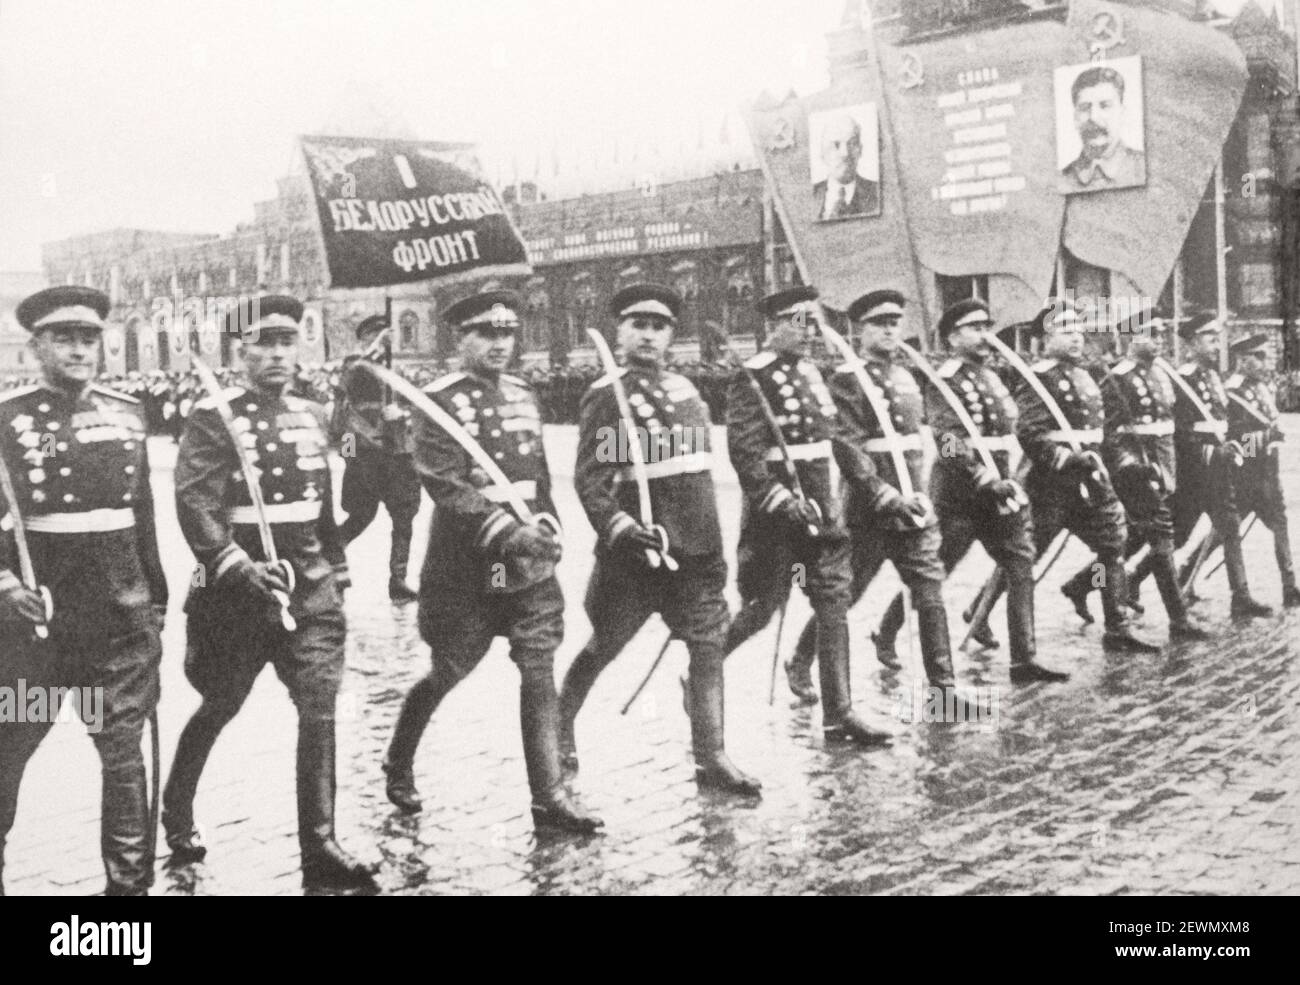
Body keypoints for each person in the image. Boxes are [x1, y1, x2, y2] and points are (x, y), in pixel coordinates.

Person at [162, 295, 378, 892]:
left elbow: (323, 510)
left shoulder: (312, 414)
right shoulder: (214, 415)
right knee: (222, 703)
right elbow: (196, 503)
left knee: (319, 707)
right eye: (264, 343)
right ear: (240, 352)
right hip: (236, 590)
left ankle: (322, 845)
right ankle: (177, 806)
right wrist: (233, 564)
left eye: (287, 342)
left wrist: (335, 570)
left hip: (308, 589)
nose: (278, 354)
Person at [380, 291, 601, 834]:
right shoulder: (436, 402)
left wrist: (548, 524)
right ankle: (399, 756)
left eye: (507, 333)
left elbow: (539, 477)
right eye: (485, 333)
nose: (499, 344)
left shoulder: (526, 394)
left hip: (528, 567)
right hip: (470, 565)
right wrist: (509, 531)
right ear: (461, 339)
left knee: (538, 668)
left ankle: (548, 795)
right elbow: (444, 484)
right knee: (450, 668)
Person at [558, 284, 762, 795]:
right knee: (605, 645)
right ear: (620, 331)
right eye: (638, 325)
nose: (648, 335)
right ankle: (558, 726)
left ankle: (712, 755)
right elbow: (591, 480)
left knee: (709, 647)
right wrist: (622, 528)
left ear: (672, 335)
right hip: (639, 556)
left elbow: (697, 476)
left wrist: (713, 549)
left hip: (695, 552)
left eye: (659, 326)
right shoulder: (610, 395)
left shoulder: (686, 390)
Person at [0, 286, 167, 896]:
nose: (78, 349)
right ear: (35, 346)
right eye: (63, 338)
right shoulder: (7, 419)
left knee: (122, 753)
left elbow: (142, 519)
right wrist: (5, 585)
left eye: (88, 337)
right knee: (9, 746)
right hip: (35, 627)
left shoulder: (128, 412)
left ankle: (126, 898)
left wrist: (156, 602)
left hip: (118, 622)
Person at [784, 290, 982, 710]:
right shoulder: (846, 379)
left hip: (914, 512)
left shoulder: (907, 376)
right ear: (859, 330)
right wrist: (883, 495)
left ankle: (943, 693)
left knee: (930, 595)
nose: (891, 329)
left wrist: (919, 494)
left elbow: (927, 440)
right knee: (846, 596)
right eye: (880, 323)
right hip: (867, 513)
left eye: (895, 322)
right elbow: (847, 448)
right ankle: (800, 660)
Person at [724, 286, 890, 745]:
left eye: (813, 322)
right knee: (762, 609)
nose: (809, 332)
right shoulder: (752, 377)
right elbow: (745, 455)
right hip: (777, 520)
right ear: (771, 326)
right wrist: (780, 500)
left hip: (822, 512)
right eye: (799, 322)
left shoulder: (814, 373)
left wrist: (869, 482)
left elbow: (835, 437)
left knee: (834, 605)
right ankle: (706, 668)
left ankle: (840, 714)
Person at [964, 302, 1160, 653]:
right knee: (1026, 558)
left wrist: (1124, 464)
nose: (1076, 337)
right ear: (1045, 338)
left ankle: (1116, 626)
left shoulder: (1087, 376)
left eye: (1078, 330)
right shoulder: (1038, 378)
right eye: (1065, 331)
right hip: (1049, 486)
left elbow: (1100, 435)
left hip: (1091, 483)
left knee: (1112, 547)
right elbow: (1028, 432)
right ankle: (978, 610)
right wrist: (1066, 458)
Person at [917, 299, 1068, 684]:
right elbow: (947, 442)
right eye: (974, 327)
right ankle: (885, 632)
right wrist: (984, 478)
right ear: (952, 337)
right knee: (939, 570)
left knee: (1020, 565)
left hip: (999, 495)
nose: (985, 334)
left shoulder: (993, 376)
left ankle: (1024, 658)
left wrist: (1007, 479)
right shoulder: (943, 379)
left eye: (987, 326)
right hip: (959, 496)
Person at [1059, 306, 1211, 641]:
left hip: (1161, 472)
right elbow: (1109, 435)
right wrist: (1133, 467)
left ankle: (1081, 584)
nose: (1158, 340)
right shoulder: (1117, 379)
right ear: (1130, 337)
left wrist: (1170, 470)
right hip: (1135, 475)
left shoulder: (1161, 374)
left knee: (1128, 542)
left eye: (1160, 333)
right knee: (1160, 540)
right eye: (1149, 333)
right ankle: (1179, 619)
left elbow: (1168, 428)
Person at [1126, 313, 1273, 620]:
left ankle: (1241, 597)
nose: (1216, 345)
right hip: (1194, 472)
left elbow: (1227, 425)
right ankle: (1122, 580)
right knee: (1176, 537)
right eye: (1209, 338)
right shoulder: (1183, 379)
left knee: (1229, 529)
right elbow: (1177, 430)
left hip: (1218, 469)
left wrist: (1234, 447)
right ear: (1191, 344)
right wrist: (1207, 452)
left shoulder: (1214, 377)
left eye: (1216, 338)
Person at [330, 314, 422, 601]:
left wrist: (403, 414)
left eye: (386, 334)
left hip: (398, 453)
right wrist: (349, 457)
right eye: (376, 335)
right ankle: (329, 564)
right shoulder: (355, 365)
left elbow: (414, 404)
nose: (384, 339)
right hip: (365, 454)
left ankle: (398, 580)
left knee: (404, 519)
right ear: (365, 339)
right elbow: (346, 388)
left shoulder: (395, 369)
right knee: (360, 516)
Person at [1220, 334, 1299, 607]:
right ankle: (1186, 575)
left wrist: (1271, 438)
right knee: (1223, 534)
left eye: (1266, 355)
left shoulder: (1262, 387)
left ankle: (1290, 587)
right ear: (1243, 360)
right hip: (1245, 478)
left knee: (1280, 526)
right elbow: (1234, 440)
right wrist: (1266, 439)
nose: (1266, 362)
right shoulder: (1232, 392)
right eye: (1260, 356)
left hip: (1268, 475)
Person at [1060, 65, 1146, 192]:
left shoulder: (1143, 166)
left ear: (1122, 114)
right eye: (1085, 108)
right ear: (1075, 118)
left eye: (1105, 106)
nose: (1094, 117)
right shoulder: (1062, 179)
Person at [812, 112, 881, 219]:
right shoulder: (811, 195)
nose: (845, 153)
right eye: (836, 144)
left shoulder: (877, 193)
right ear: (822, 153)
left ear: (860, 150)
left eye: (852, 143)